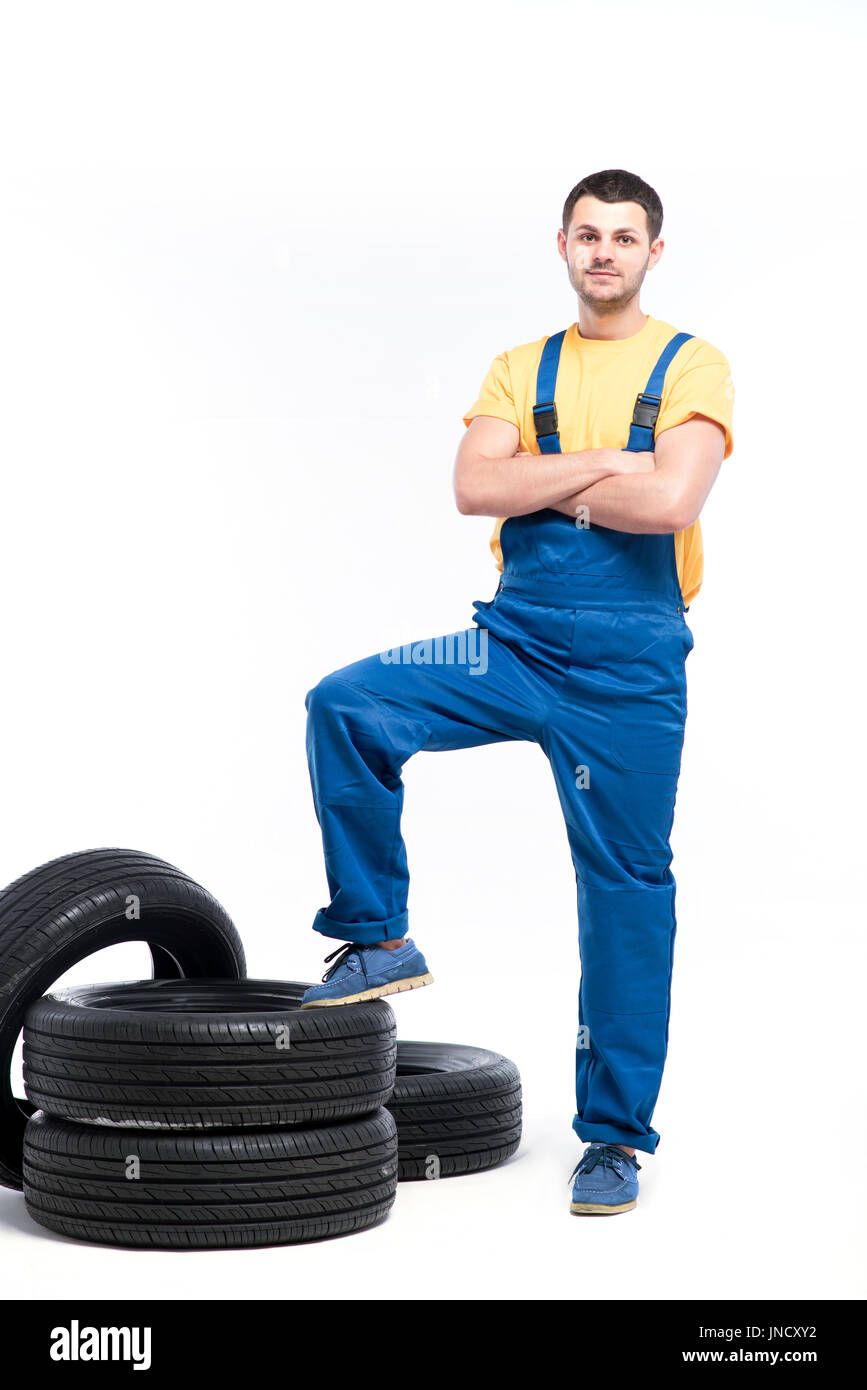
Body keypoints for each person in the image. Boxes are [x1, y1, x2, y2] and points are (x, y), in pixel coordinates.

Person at [301, 168, 734, 1216]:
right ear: (563, 245)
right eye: (588, 234)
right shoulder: (517, 366)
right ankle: (379, 935)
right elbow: (472, 487)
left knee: (626, 892)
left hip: (629, 674)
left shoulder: (693, 364)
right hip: (510, 643)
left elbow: (673, 498)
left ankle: (615, 1140)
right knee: (348, 701)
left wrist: (547, 468)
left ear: (652, 253)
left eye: (624, 238)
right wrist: (600, 460)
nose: (604, 252)